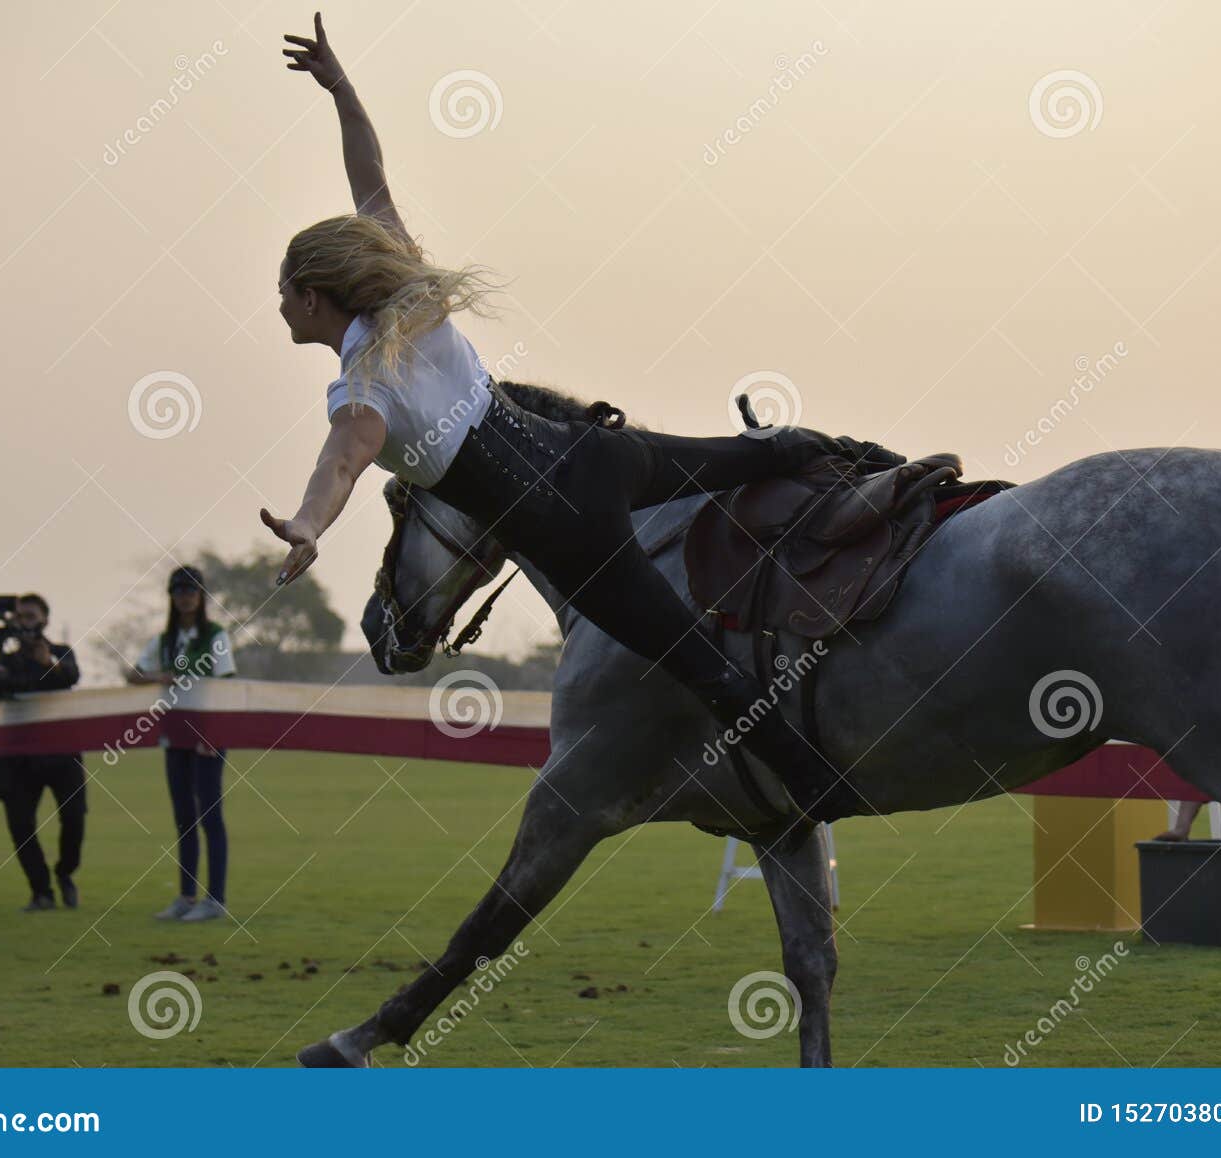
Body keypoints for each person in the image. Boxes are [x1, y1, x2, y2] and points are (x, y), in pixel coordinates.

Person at [260, 14, 902, 819]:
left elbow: (342, 461)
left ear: (314, 297)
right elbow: (372, 183)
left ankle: (816, 788)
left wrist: (310, 525)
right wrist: (342, 90)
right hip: (598, 454)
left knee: (696, 661)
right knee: (753, 454)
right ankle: (882, 466)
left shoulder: (363, 388)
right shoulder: (406, 300)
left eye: (281, 288)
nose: (275, 301)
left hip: (572, 531)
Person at [0, 593, 85, 912]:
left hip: (62, 754)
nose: (24, 622)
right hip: (19, 757)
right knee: (21, 827)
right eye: (20, 617)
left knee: (74, 822)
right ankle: (41, 892)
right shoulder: (7, 662)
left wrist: (45, 662)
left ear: (45, 620)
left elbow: (71, 676)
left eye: (31, 616)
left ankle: (65, 873)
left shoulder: (61, 652)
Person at [126, 565, 237, 921]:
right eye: (178, 591)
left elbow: (224, 686)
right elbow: (132, 674)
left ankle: (215, 898)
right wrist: (158, 676)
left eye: (190, 590)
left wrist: (215, 734)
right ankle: (186, 896)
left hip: (207, 736)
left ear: (201, 595)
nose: (185, 597)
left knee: (210, 815)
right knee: (183, 818)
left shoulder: (216, 635)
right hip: (175, 735)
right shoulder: (165, 639)